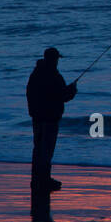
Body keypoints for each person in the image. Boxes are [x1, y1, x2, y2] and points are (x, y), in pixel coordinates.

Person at [25, 47, 76, 194]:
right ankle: (44, 180)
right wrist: (72, 90)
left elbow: (30, 93)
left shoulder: (35, 74)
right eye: (57, 59)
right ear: (54, 59)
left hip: (37, 118)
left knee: (38, 149)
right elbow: (63, 96)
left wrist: (33, 111)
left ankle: (37, 179)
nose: (57, 62)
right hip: (49, 118)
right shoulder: (54, 75)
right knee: (46, 150)